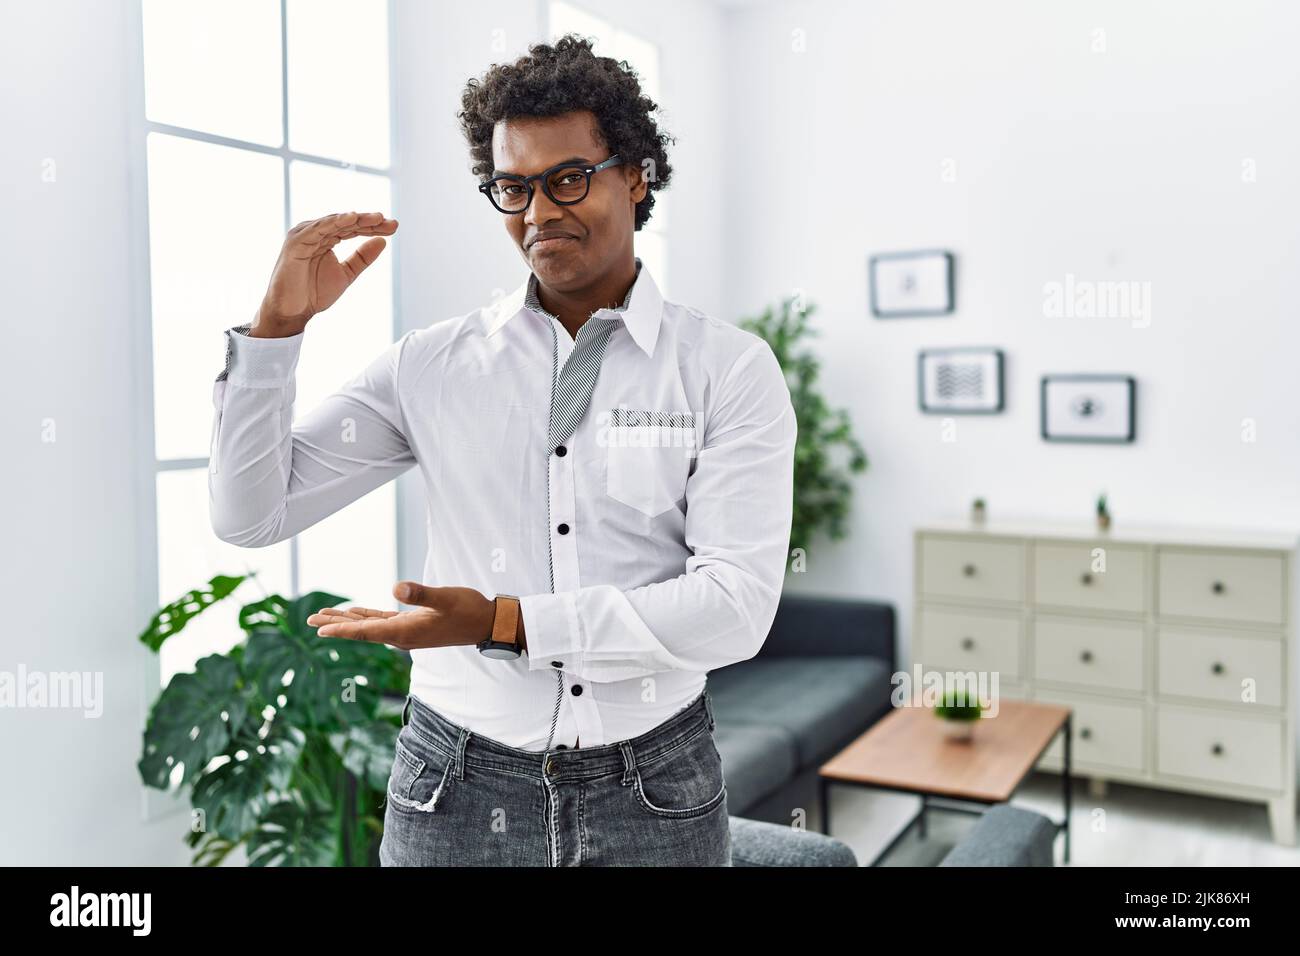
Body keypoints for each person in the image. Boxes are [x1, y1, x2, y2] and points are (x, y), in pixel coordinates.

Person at [208, 34, 796, 866]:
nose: (538, 213)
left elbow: (735, 607)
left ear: (636, 175)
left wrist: (505, 623)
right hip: (451, 788)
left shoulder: (725, 369)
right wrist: (276, 330)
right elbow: (251, 514)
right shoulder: (432, 365)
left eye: (567, 179)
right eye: (512, 188)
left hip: (654, 790)